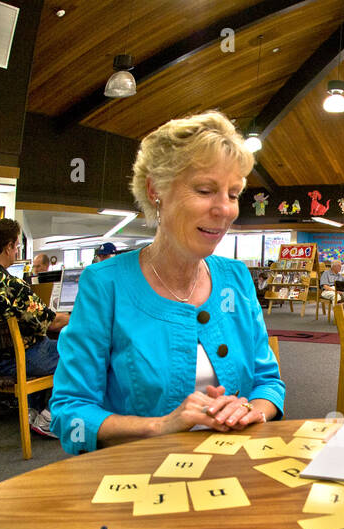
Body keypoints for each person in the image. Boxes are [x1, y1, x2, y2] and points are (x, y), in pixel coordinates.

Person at [50, 111, 284, 454]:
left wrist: (251, 411)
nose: (226, 209)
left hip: (233, 471)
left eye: (233, 194)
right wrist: (161, 426)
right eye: (205, 190)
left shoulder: (236, 278)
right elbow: (69, 414)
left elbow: (268, 383)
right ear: (155, 189)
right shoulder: (105, 285)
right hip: (138, 483)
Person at [0, 219, 68, 438]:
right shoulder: (11, 284)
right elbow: (52, 322)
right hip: (21, 361)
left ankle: (31, 411)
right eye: (16, 246)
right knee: (75, 351)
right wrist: (79, 316)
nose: (16, 251)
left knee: (43, 343)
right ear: (8, 247)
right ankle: (49, 417)